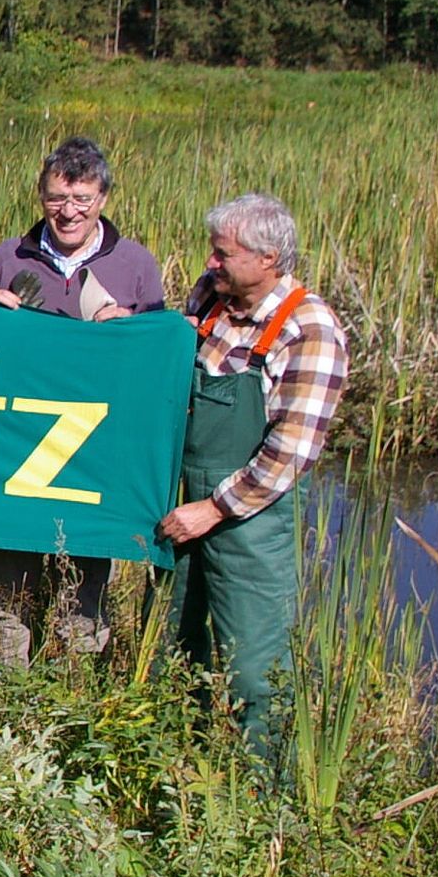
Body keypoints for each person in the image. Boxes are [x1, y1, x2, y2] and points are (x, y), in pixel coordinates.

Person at [159, 193, 347, 756]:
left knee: (253, 670)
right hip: (185, 499)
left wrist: (213, 508)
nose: (210, 263)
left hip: (247, 520)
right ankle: (178, 768)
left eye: (223, 254)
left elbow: (290, 451)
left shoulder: (308, 328)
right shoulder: (212, 298)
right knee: (173, 645)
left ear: (268, 259)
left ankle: (267, 798)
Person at [0, 136, 167, 666]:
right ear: (41, 196)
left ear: (103, 197)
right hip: (14, 445)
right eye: (58, 198)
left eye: (82, 198)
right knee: (5, 581)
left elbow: (157, 365)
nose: (69, 211)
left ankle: (75, 687)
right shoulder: (7, 255)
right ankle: (2, 691)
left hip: (95, 450)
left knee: (83, 586)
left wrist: (131, 330)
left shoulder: (135, 264)